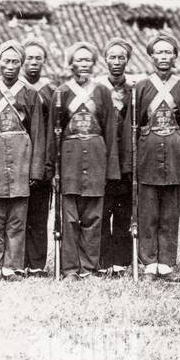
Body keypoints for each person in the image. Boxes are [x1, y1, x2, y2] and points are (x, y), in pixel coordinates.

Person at [130, 33, 180, 281]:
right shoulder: (140, 87)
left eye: (168, 52)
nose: (163, 57)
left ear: (175, 56)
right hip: (147, 156)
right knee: (148, 213)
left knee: (171, 212)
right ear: (151, 57)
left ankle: (166, 264)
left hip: (174, 156)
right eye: (158, 52)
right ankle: (149, 264)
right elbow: (133, 127)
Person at [50, 42, 120, 278]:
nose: (83, 65)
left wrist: (111, 170)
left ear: (93, 63)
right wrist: (53, 169)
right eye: (78, 60)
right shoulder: (61, 92)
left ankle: (88, 267)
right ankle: (70, 268)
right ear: (70, 64)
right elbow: (54, 133)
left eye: (87, 60)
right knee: (70, 218)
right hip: (69, 160)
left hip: (97, 157)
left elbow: (110, 131)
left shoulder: (101, 92)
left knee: (93, 216)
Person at [0, 41, 48, 279]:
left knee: (17, 220)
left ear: (21, 63)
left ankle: (13, 266)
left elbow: (38, 133)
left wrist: (35, 171)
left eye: (15, 61)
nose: (10, 66)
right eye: (5, 61)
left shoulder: (30, 94)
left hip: (21, 163)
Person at [97, 38, 135, 275]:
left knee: (123, 213)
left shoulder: (135, 90)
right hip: (102, 160)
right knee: (102, 212)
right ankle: (103, 262)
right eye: (112, 57)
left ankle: (121, 262)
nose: (117, 62)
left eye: (122, 57)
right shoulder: (99, 91)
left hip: (126, 162)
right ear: (105, 59)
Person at [20, 39, 57, 275]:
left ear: (44, 61)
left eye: (38, 58)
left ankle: (36, 264)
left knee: (38, 214)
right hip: (18, 159)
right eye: (29, 58)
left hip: (42, 160)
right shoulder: (15, 88)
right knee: (17, 213)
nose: (33, 62)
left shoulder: (52, 91)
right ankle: (17, 261)